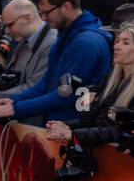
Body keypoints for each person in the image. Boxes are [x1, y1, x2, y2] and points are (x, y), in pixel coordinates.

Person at [0, 0, 112, 125]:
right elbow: (46, 84)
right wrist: (13, 100)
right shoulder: (66, 36)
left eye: (47, 13)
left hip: (72, 128)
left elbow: (65, 96)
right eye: (41, 13)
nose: (43, 18)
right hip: (57, 124)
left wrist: (16, 108)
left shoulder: (86, 42)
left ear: (66, 7)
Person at [45, 23, 134, 151]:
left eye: (125, 43)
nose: (116, 46)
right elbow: (95, 120)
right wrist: (66, 126)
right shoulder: (110, 80)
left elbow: (119, 132)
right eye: (117, 41)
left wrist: (73, 134)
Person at [0, 0, 57, 110]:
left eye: (10, 25)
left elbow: (34, 88)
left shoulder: (51, 43)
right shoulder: (24, 38)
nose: (6, 32)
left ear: (28, 18)